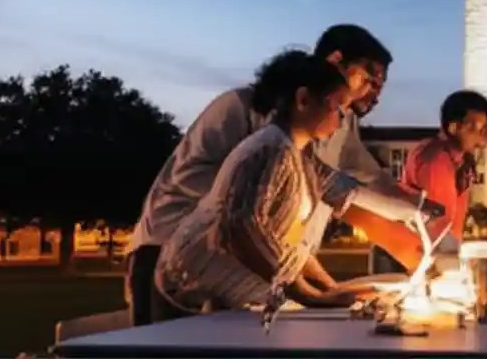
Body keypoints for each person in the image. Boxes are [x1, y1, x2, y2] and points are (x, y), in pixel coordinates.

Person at [125, 24, 438, 326]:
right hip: (179, 259)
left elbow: (350, 185)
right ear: (334, 63)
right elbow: (244, 216)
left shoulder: (323, 134)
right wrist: (304, 289)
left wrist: (414, 210)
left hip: (253, 268)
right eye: (371, 79)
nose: (375, 95)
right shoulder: (251, 122)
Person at [152, 50, 377, 320]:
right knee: (297, 321)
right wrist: (309, 295)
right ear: (303, 100)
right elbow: (244, 228)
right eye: (337, 109)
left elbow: (285, 239)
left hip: (225, 281)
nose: (342, 121)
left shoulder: (296, 155)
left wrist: (329, 286)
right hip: (197, 278)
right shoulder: (270, 150)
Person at [343, 90, 487, 273]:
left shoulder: (462, 161)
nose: (482, 137)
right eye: (474, 129)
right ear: (454, 127)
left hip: (427, 254)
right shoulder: (436, 160)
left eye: (485, 130)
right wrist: (450, 265)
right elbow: (436, 224)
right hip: (408, 257)